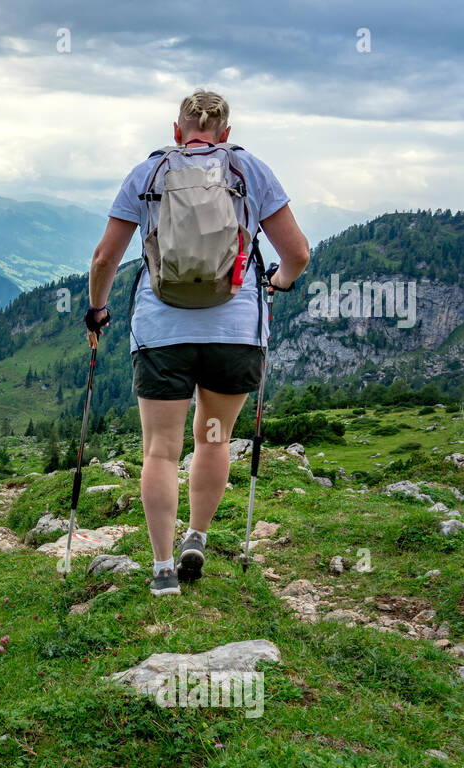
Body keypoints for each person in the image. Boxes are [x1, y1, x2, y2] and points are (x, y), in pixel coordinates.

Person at [83, 90, 310, 596]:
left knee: (161, 452)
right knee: (213, 439)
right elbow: (296, 252)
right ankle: (197, 536)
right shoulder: (249, 171)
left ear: (177, 130)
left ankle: (163, 570)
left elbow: (104, 258)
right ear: (225, 134)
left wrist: (98, 310)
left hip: (163, 332)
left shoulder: (148, 174)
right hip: (234, 334)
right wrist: (278, 283)